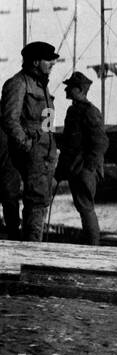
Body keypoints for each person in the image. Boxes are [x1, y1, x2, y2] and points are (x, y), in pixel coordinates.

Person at [1, 41, 60, 241]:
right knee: (36, 202)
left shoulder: (41, 85)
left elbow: (47, 123)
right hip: (32, 154)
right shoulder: (18, 84)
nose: (52, 64)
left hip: (46, 154)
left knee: (40, 203)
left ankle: (30, 250)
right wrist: (26, 144)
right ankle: (32, 253)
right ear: (35, 62)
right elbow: (9, 119)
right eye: (48, 61)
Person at [54, 70, 109, 245]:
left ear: (78, 90)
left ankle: (93, 249)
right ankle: (92, 245)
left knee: (86, 208)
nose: (65, 90)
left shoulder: (89, 111)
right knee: (83, 207)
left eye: (69, 87)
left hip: (84, 169)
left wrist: (90, 168)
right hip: (76, 169)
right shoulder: (75, 110)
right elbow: (70, 145)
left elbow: (101, 142)